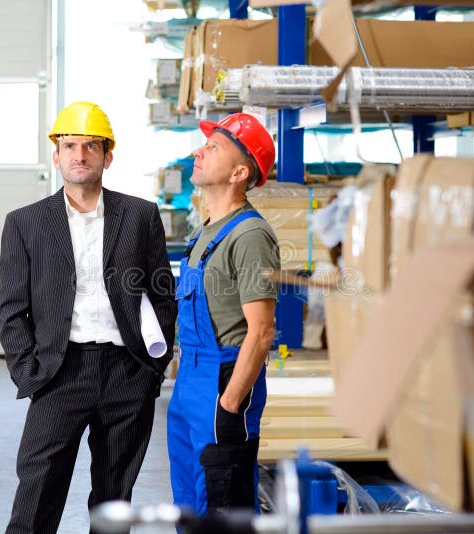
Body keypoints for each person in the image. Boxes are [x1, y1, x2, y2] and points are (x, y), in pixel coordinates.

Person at [0, 101, 177, 533]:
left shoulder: (139, 216)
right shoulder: (25, 223)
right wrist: (30, 372)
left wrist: (151, 368)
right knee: (37, 492)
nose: (80, 155)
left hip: (126, 372)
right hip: (59, 372)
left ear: (107, 157)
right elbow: (11, 308)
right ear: (56, 156)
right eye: (70, 145)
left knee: (114, 500)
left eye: (91, 146)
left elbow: (162, 294)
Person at [166, 112, 279, 515]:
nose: (199, 150)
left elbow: (262, 332)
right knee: (190, 499)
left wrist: (230, 404)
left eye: (213, 147)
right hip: (191, 383)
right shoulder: (206, 232)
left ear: (239, 172)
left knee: (222, 502)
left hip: (221, 382)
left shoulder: (249, 235)